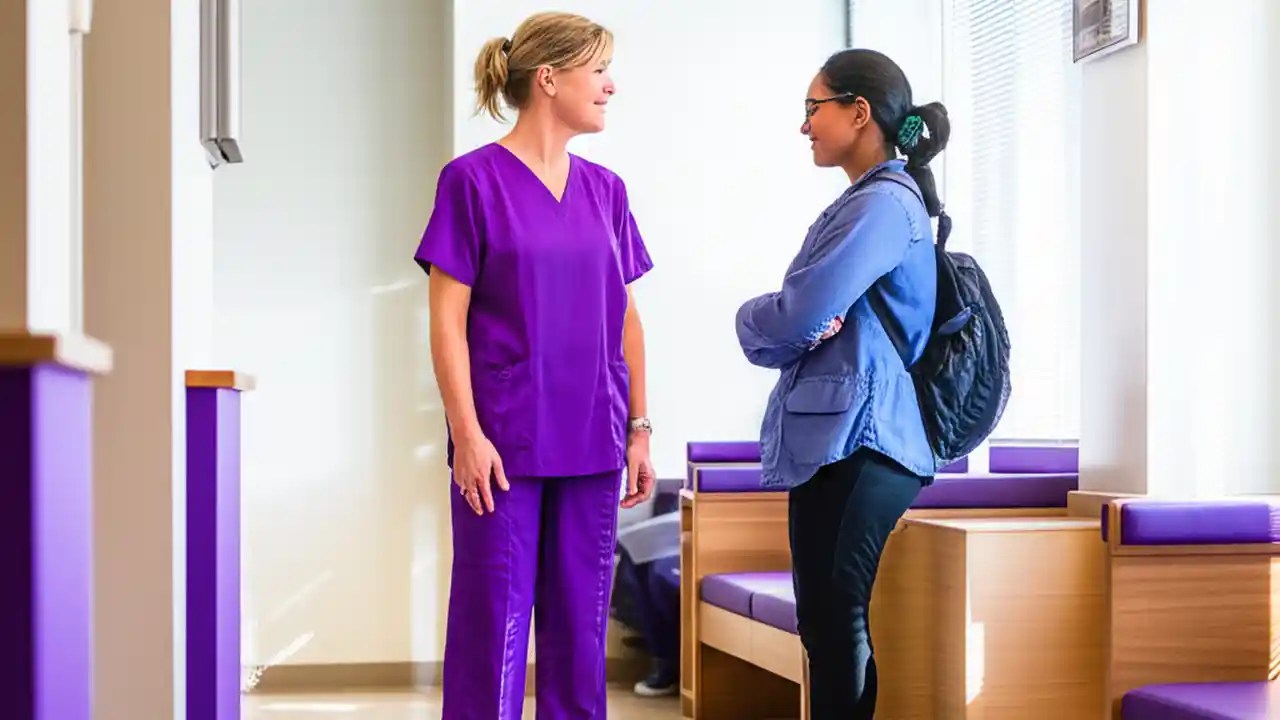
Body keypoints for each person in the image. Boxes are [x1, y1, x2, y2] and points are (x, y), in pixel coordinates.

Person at [413, 11, 657, 719]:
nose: (611, 86)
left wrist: (639, 428)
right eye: (599, 70)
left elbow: (627, 318)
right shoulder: (471, 182)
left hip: (594, 438)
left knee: (580, 632)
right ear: (548, 78)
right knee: (494, 623)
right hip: (502, 445)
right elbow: (446, 320)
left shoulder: (606, 192)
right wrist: (466, 433)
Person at [734, 48, 951, 719]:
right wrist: (793, 319)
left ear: (858, 113)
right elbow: (807, 315)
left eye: (813, 108)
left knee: (836, 625)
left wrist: (748, 317)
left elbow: (797, 311)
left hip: (865, 442)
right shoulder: (869, 203)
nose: (805, 126)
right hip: (846, 441)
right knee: (828, 628)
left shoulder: (883, 206)